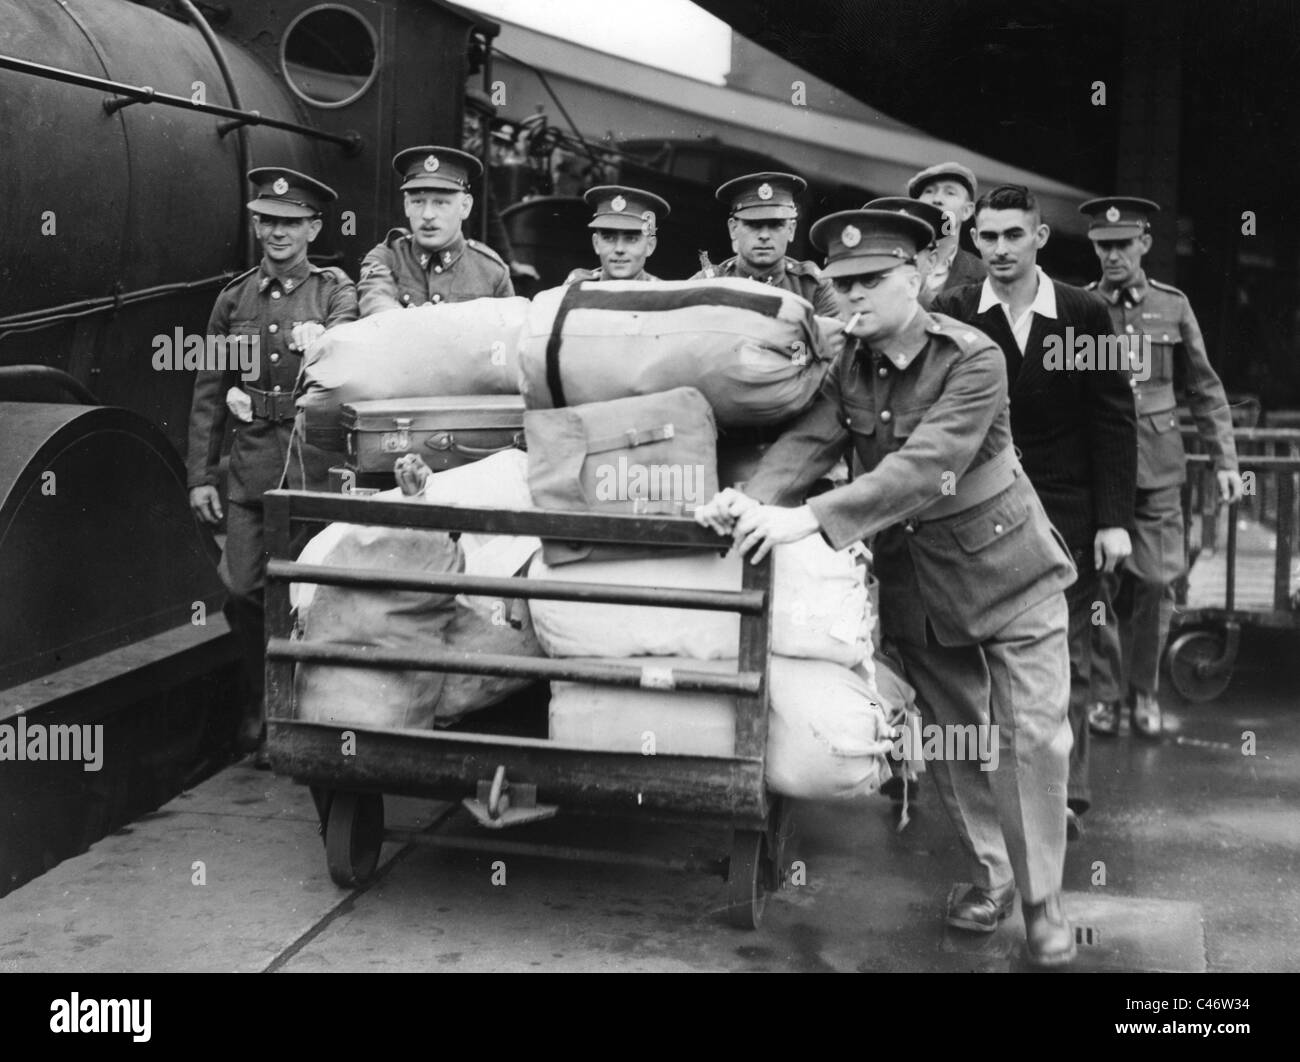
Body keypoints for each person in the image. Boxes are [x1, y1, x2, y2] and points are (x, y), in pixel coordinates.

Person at [695, 208, 1080, 967]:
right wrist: (753, 498)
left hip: (1011, 572)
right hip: (920, 584)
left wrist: (810, 518)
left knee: (1032, 737)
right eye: (842, 284)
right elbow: (812, 439)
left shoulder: (972, 357)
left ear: (920, 277)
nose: (853, 297)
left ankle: (1043, 905)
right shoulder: (852, 365)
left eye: (871, 281)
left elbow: (925, 466)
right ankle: (993, 878)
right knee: (955, 737)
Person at [931, 184, 1137, 838]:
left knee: (1063, 661)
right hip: (979, 522)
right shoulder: (955, 311)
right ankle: (991, 796)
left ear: (1039, 238)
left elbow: (1112, 421)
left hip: (1066, 520)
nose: (999, 249)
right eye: (986, 237)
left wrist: (1114, 521)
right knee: (983, 664)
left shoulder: (1083, 315)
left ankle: (1063, 796)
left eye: (1013, 235)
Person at [187, 167, 358, 761]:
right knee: (243, 588)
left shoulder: (335, 291)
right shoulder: (234, 298)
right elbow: (211, 388)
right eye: (266, 221)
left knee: (312, 590)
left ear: (314, 226)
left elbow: (349, 347)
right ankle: (263, 703)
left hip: (314, 460)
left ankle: (304, 711)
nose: (276, 232)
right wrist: (200, 476)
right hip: (253, 462)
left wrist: (329, 339)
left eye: (290, 222)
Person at [1080, 197, 1243, 737]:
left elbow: (1205, 387)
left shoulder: (1173, 307)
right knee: (1098, 586)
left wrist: (1225, 461)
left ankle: (1144, 690)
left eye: (1123, 244)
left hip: (1158, 469)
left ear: (1145, 244)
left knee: (1156, 583)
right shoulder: (1080, 307)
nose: (1113, 256)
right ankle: (1104, 695)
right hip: (1099, 470)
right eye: (1104, 246)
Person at [357, 146, 513, 316]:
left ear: (465, 207)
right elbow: (376, 301)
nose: (427, 215)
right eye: (418, 202)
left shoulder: (492, 273)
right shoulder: (387, 258)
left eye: (441, 203)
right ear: (406, 205)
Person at [691, 172, 838, 316]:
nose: (764, 236)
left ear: (791, 230)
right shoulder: (707, 284)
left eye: (775, 225)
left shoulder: (813, 287)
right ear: (733, 229)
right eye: (754, 225)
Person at [907, 161, 988, 300]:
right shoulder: (893, 258)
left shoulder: (981, 274)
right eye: (929, 191)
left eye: (950, 193)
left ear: (967, 211)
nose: (937, 199)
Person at [565, 185, 669, 282]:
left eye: (631, 239)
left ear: (650, 246)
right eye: (609, 238)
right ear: (596, 243)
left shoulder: (664, 296)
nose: (619, 249)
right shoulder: (577, 288)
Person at [864, 196, 950, 308]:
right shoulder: (857, 306)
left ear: (931, 262)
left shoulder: (945, 312)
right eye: (886, 254)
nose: (895, 264)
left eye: (908, 257)